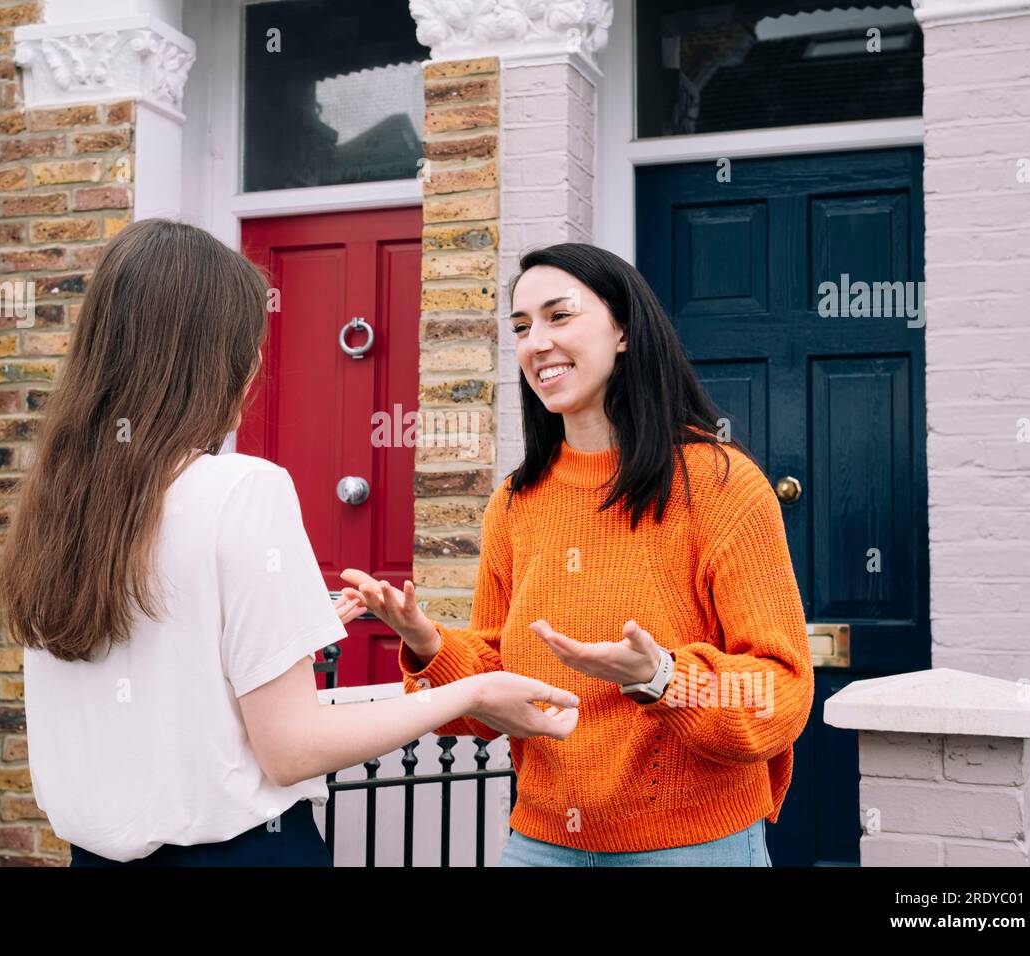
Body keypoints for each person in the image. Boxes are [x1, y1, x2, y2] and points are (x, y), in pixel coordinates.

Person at [0, 219, 580, 867]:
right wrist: (471, 693)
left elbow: (148, 662)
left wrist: (276, 638)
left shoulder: (58, 502)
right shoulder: (244, 489)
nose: (257, 364)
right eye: (250, 342)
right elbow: (292, 749)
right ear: (213, 359)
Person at [342, 242, 814, 866]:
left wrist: (661, 678)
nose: (536, 342)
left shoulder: (722, 486)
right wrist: (427, 642)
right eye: (521, 327)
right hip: (540, 845)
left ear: (623, 330)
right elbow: (490, 700)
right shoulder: (515, 501)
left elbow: (778, 693)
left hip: (691, 847)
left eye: (559, 316)